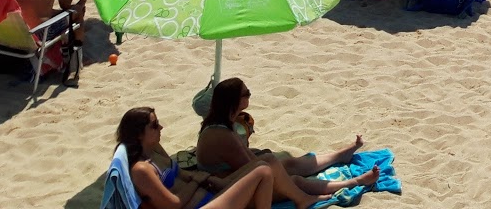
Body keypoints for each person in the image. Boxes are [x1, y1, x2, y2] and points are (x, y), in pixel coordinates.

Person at [195, 79, 375, 209]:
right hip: (228, 190)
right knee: (291, 178)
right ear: (235, 101)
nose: (250, 95)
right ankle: (352, 182)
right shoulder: (223, 135)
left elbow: (250, 163)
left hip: (231, 179)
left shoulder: (221, 124)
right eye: (247, 93)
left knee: (286, 163)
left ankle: (340, 155)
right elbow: (255, 168)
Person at [117, 107, 276, 209]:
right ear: (138, 134)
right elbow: (174, 204)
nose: (161, 127)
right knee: (262, 172)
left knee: (263, 163)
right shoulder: (141, 169)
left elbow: (180, 173)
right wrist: (196, 181)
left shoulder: (154, 150)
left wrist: (204, 179)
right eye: (154, 125)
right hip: (200, 205)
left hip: (208, 196)